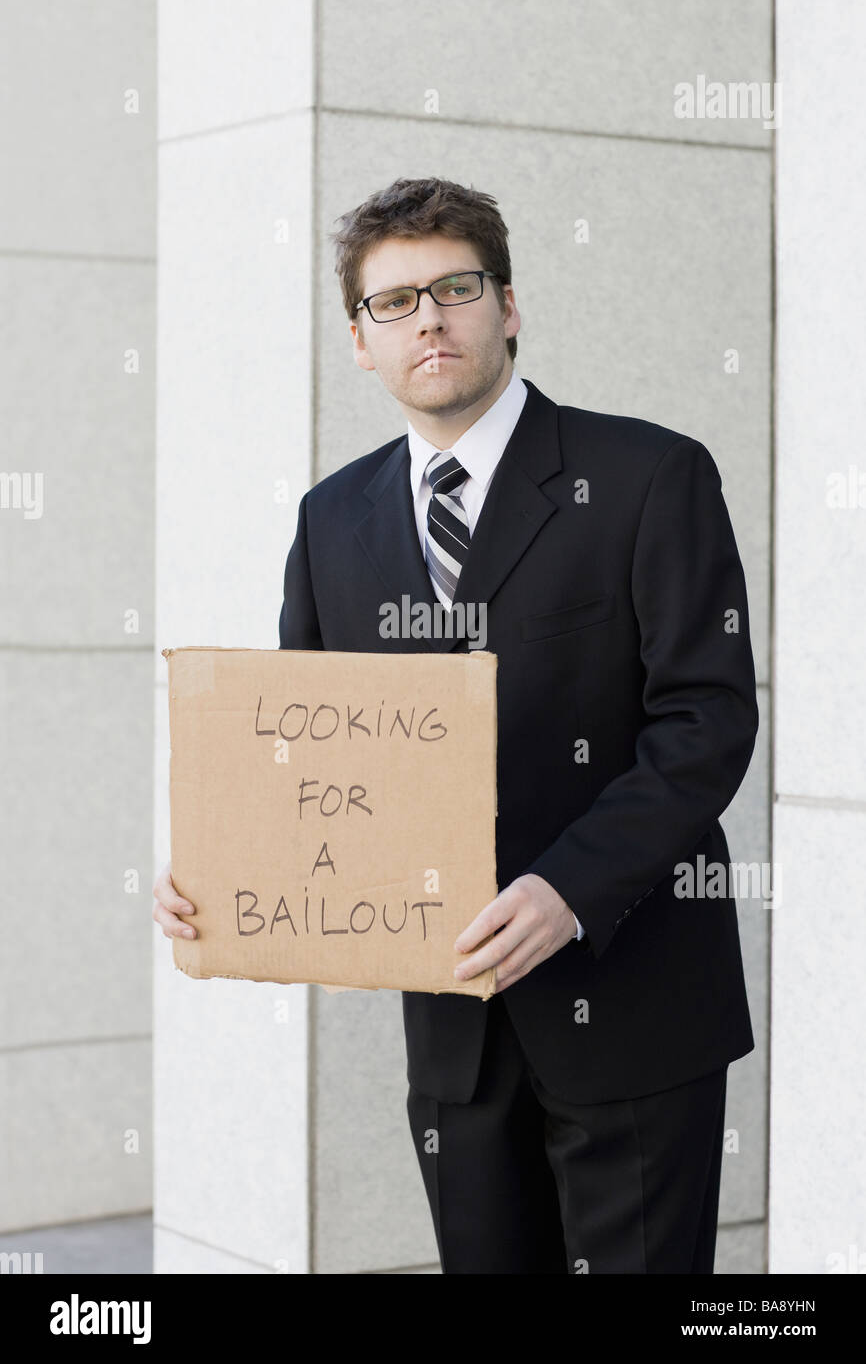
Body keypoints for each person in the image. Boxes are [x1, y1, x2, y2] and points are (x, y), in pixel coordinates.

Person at [154, 176, 759, 1275]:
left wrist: (568, 887)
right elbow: (306, 743)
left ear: (507, 306)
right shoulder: (330, 518)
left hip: (629, 1005)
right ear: (358, 341)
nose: (427, 317)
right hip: (453, 1039)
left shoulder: (645, 475)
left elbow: (704, 721)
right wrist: (220, 866)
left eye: (454, 287)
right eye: (393, 302)